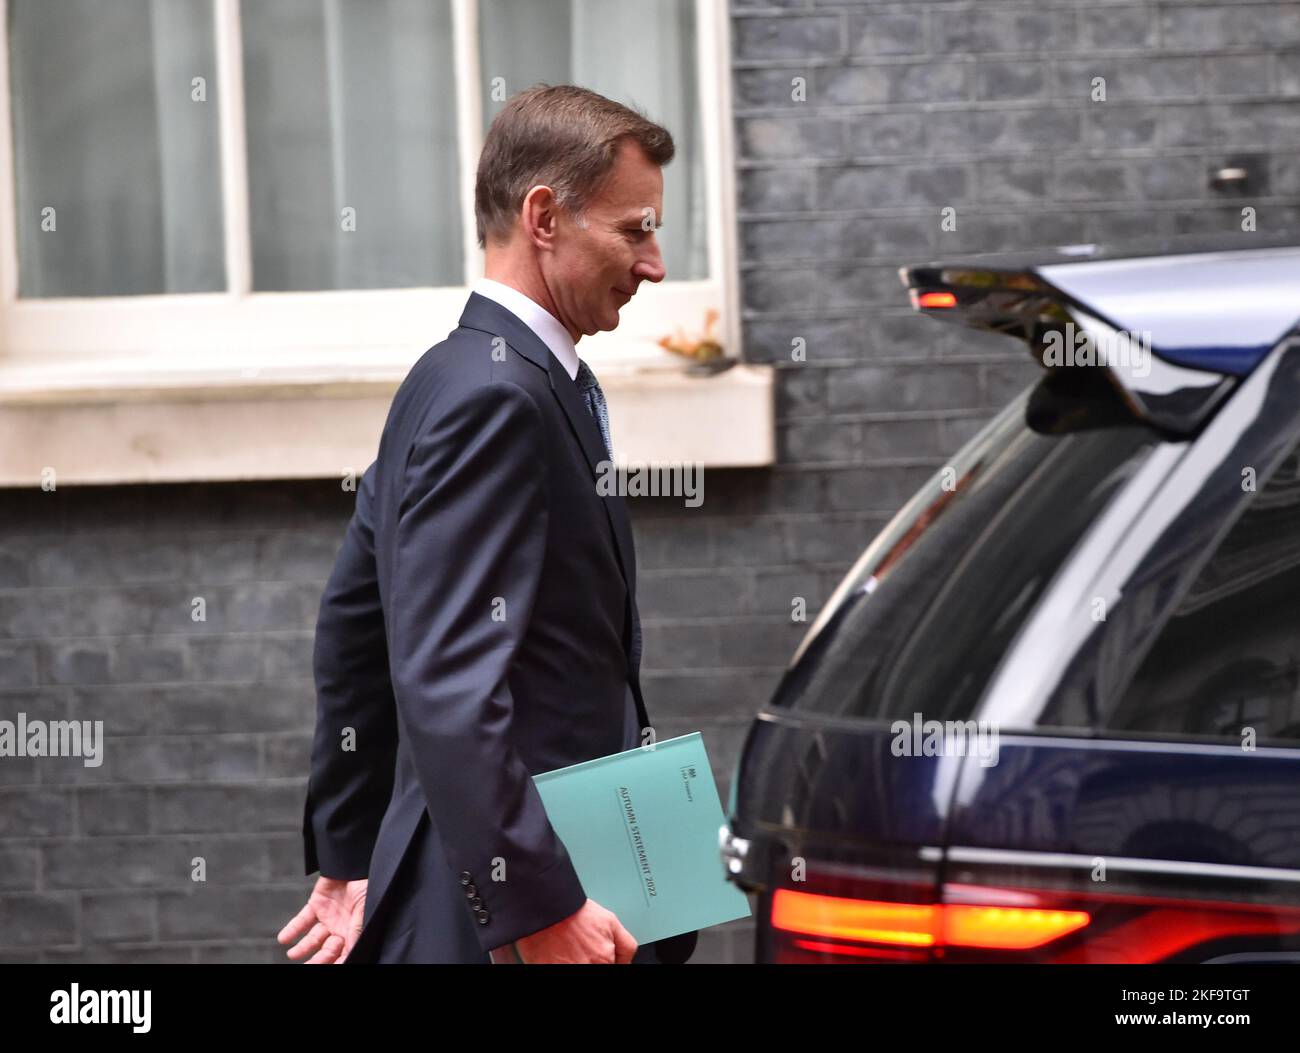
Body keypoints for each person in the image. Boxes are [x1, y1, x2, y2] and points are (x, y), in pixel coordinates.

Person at [277, 84, 697, 965]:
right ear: (544, 215)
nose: (654, 263)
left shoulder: (458, 374)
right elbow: (446, 679)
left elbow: (357, 623)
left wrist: (349, 852)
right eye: (635, 230)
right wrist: (538, 908)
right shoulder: (498, 396)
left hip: (564, 865)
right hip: (519, 901)